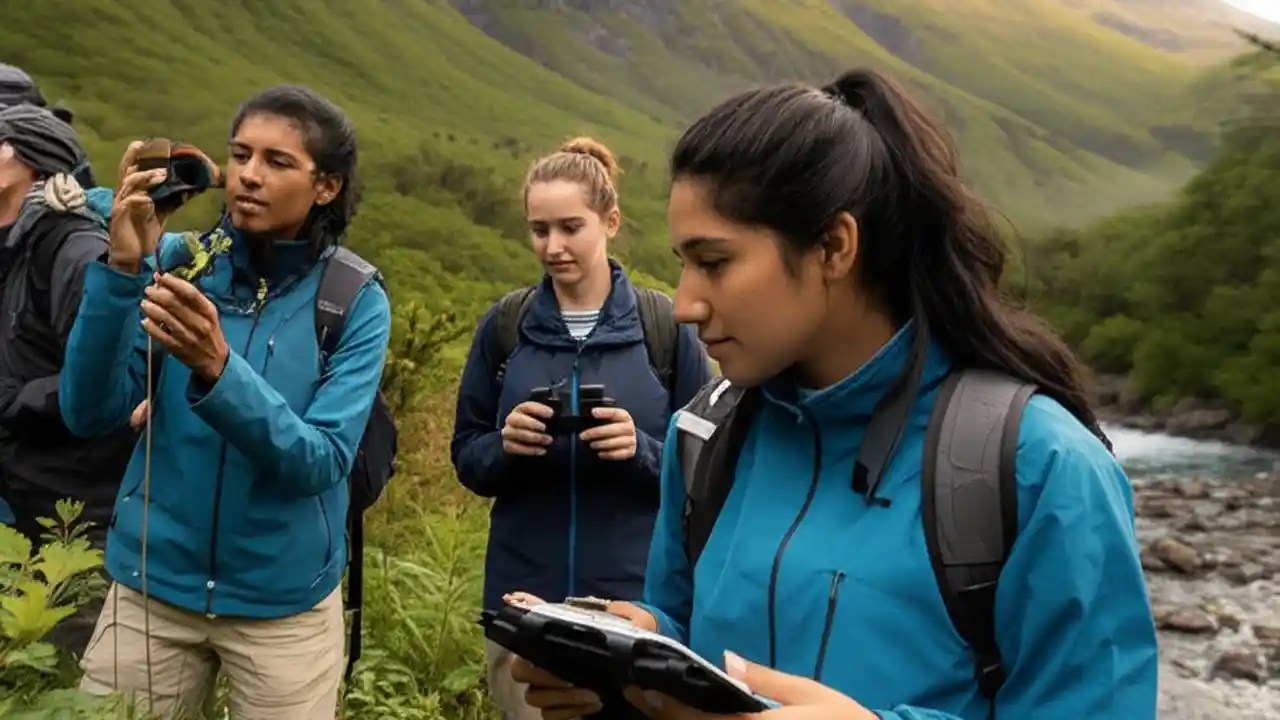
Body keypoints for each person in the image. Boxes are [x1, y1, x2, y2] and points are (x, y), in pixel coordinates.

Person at [508, 69, 1158, 719]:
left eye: (714, 262)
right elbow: (687, 635)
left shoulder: (1041, 469)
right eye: (683, 263)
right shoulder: (702, 438)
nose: (684, 304)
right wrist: (629, 663)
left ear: (834, 247)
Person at [59, 84, 391, 719]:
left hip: (283, 607)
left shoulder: (354, 299)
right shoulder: (183, 264)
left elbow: (321, 461)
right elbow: (90, 412)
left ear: (326, 187)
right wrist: (123, 270)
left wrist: (218, 368)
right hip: (152, 589)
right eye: (240, 156)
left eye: (278, 162)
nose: (249, 176)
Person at [450, 137, 712, 718]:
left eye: (571, 227)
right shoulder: (506, 326)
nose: (553, 246)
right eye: (539, 230)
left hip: (636, 609)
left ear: (610, 221)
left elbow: (709, 470)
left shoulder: (665, 329)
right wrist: (506, 446)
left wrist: (642, 451)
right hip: (525, 608)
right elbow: (468, 458)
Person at [0, 102, 138, 655]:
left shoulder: (73, 249)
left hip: (79, 518)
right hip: (24, 501)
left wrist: (14, 401)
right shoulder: (12, 246)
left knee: (70, 681)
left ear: (32, 163)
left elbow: (110, 385)